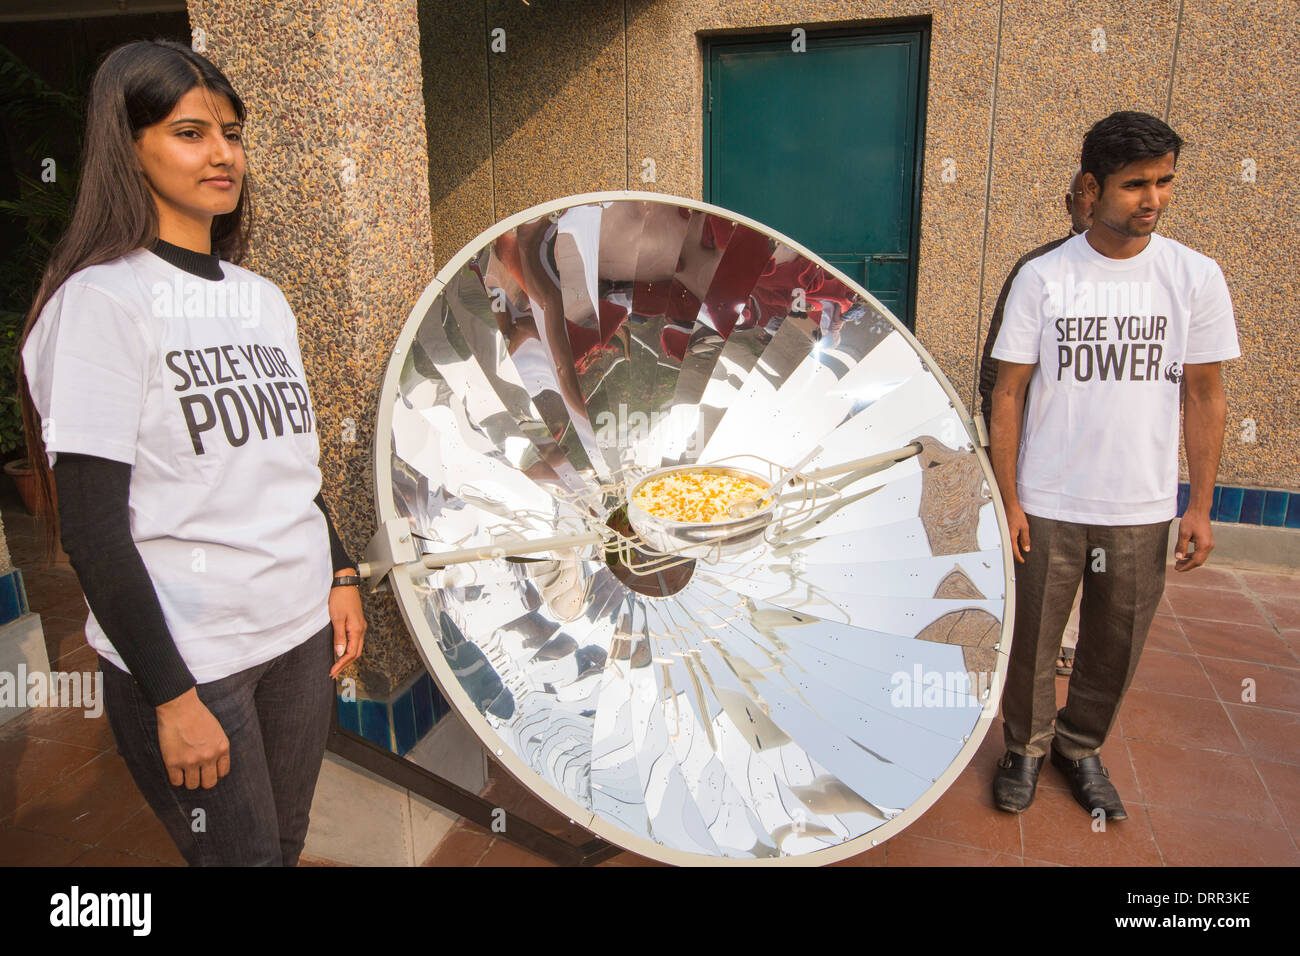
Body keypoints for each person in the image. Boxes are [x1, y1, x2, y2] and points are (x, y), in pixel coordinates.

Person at [16, 40, 366, 865]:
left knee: (283, 842)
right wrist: (171, 697)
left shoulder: (261, 300)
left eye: (233, 133)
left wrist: (339, 572)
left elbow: (285, 467)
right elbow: (94, 530)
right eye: (189, 132)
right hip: (193, 659)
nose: (222, 154)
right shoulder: (103, 302)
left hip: (295, 634)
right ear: (127, 148)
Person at [987, 111, 1238, 820]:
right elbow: (1007, 393)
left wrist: (1199, 505)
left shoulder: (1194, 277)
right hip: (1050, 500)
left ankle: (1079, 747)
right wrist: (1009, 499)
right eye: (1135, 185)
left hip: (1141, 504)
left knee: (1114, 644)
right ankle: (1026, 749)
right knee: (1033, 639)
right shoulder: (1044, 278)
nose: (1153, 199)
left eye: (1164, 182)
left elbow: (1206, 395)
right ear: (1091, 188)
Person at [978, 170, 1095, 678]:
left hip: (1099, 449)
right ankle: (1023, 636)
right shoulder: (1038, 269)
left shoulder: (1152, 273)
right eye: (1083, 197)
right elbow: (998, 369)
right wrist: (1001, 430)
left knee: (1090, 552)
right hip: (1039, 439)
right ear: (1069, 202)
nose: (1092, 206)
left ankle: (1067, 639)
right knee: (1034, 547)